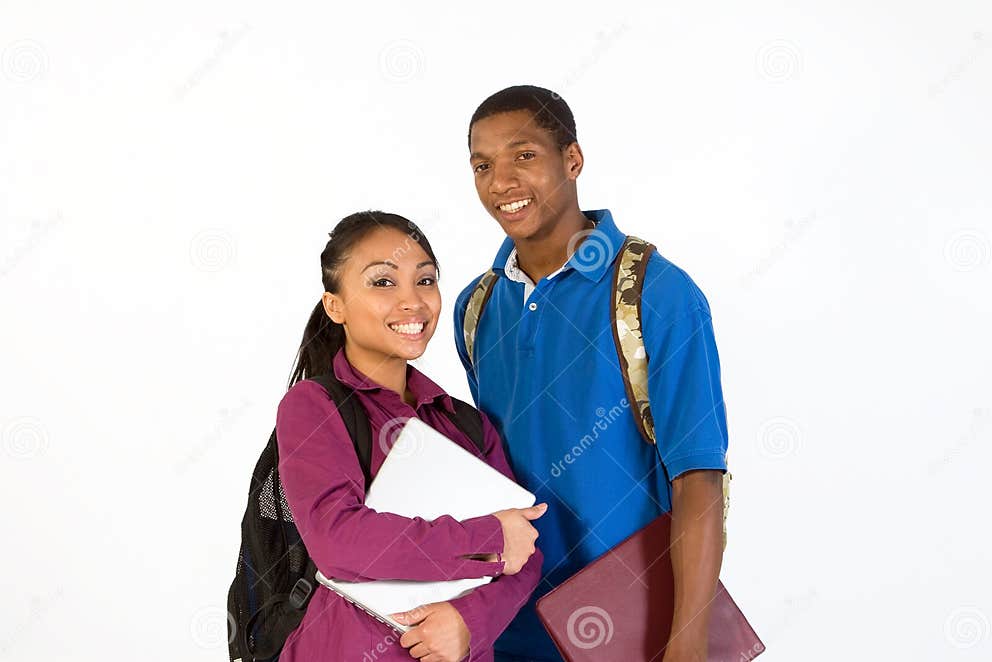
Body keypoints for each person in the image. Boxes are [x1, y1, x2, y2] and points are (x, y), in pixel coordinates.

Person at [454, 86, 729, 662]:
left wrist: (689, 643)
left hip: (632, 630)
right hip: (507, 629)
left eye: (524, 155)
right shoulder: (475, 309)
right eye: (483, 165)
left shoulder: (657, 293)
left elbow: (698, 479)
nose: (501, 181)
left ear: (572, 160)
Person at [276, 210, 546, 662]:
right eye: (383, 283)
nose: (412, 302)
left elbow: (527, 548)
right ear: (334, 305)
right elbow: (337, 541)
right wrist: (490, 540)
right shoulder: (313, 406)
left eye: (425, 280)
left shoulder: (465, 423)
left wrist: (468, 622)